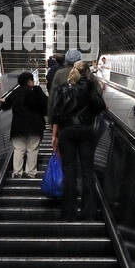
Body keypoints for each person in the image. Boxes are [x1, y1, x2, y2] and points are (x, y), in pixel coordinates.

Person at [51, 59, 106, 220]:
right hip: (85, 132)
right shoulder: (89, 86)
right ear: (87, 71)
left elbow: (56, 114)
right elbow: (99, 106)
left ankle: (69, 212)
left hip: (66, 132)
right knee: (87, 171)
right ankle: (88, 212)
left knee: (69, 171)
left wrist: (54, 136)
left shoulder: (62, 88)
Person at [1, 70, 47, 177]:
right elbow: (46, 104)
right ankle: (31, 172)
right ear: (29, 81)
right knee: (32, 149)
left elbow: (5, 106)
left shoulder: (16, 92)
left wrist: (2, 102)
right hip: (35, 126)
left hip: (18, 126)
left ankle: (17, 172)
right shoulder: (37, 90)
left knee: (19, 149)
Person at [46, 47, 80, 122]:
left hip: (63, 115)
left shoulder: (59, 73)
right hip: (82, 117)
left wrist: (51, 116)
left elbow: (53, 95)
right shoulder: (85, 73)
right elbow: (96, 92)